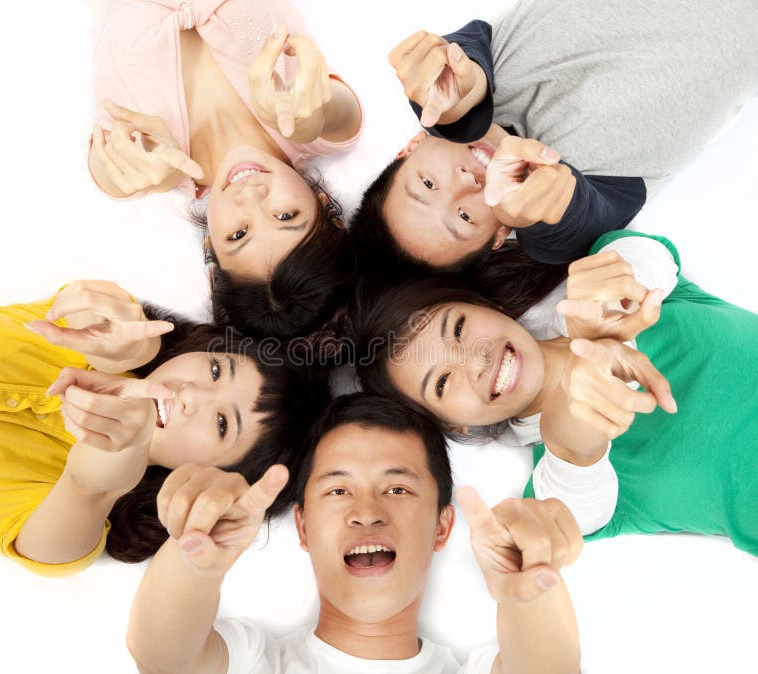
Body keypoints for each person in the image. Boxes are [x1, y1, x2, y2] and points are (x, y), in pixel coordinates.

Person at [351, 231, 758, 555]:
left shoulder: (598, 283)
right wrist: (573, 437)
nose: (474, 361)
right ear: (452, 424)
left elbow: (646, 255)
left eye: (457, 328)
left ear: (480, 304)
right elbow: (569, 499)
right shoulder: (553, 487)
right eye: (442, 383)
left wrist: (610, 301)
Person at [127, 392, 584, 674]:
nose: (367, 512)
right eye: (339, 489)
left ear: (441, 527)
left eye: (398, 488)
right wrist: (193, 562)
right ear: (302, 527)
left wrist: (528, 590)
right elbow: (164, 659)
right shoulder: (257, 663)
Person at [352, 0, 758, 271]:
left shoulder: (477, 69)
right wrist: (529, 216)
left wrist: (458, 115)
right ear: (498, 236)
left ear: (410, 148)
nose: (466, 184)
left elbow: (466, 82)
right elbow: (564, 230)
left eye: (427, 183)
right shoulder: (583, 201)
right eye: (463, 216)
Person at [0, 280, 328, 576]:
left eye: (221, 423)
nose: (192, 394)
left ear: (210, 476)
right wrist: (129, 352)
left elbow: (49, 552)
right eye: (216, 370)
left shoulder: (89, 505)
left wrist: (93, 484)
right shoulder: (107, 334)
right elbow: (86, 309)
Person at [89, 0, 363, 338]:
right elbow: (338, 112)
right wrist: (313, 117)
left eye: (239, 234)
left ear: (212, 253)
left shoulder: (152, 167)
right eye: (286, 216)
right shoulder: (312, 127)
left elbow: (106, 171)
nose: (252, 198)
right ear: (323, 206)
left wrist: (135, 164)